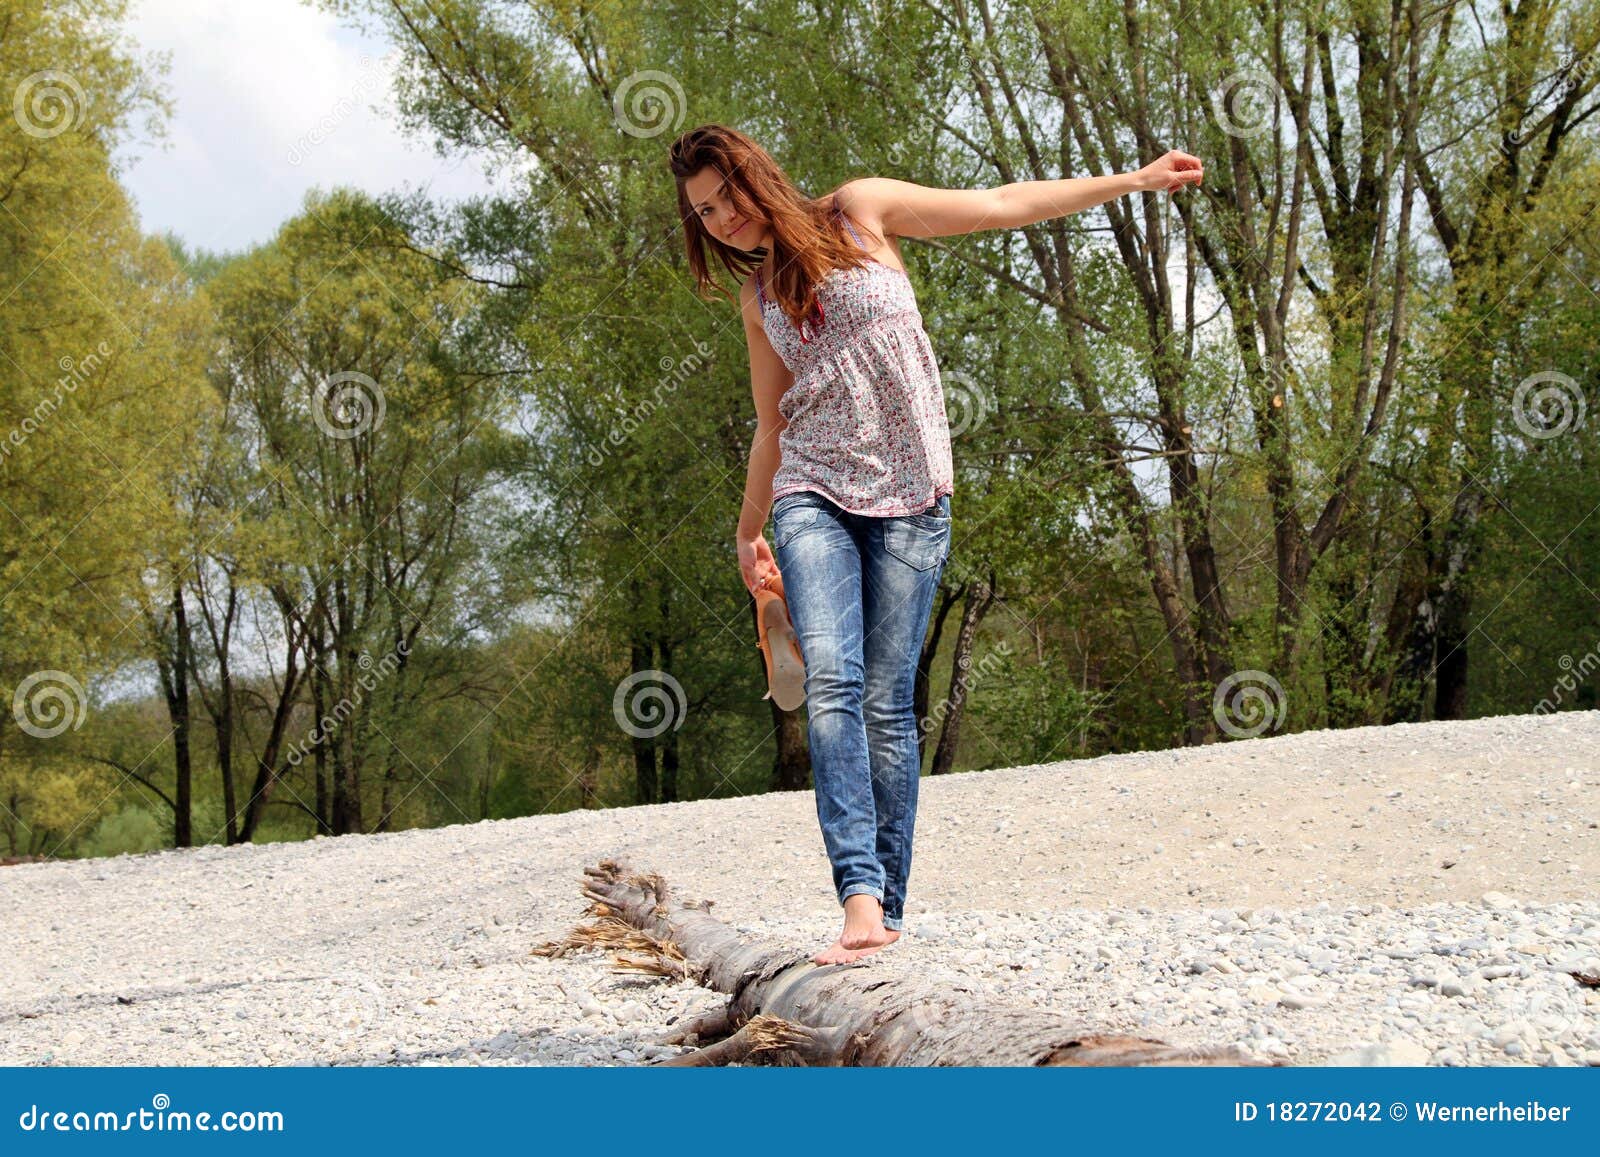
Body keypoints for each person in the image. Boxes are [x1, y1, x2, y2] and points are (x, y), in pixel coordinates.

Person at [669, 124, 1201, 964]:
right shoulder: (757, 297)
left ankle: (890, 908)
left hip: (913, 494)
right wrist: (746, 532)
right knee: (836, 681)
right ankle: (858, 896)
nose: (720, 220)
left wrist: (1131, 180)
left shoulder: (859, 210)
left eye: (723, 197)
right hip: (813, 489)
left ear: (754, 176)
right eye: (702, 214)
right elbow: (772, 425)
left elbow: (998, 206)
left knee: (888, 698)